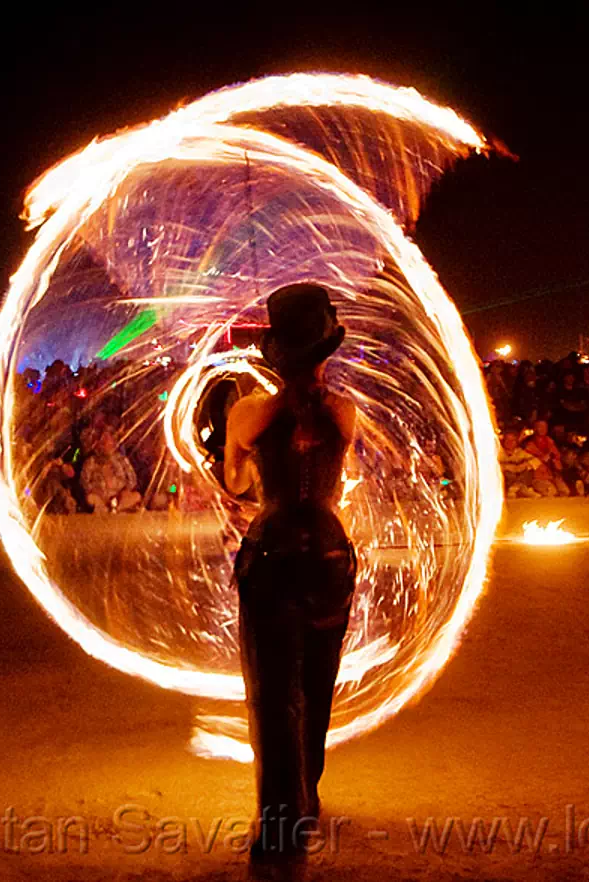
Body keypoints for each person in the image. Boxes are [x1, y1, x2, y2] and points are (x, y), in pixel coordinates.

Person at [224, 284, 357, 862]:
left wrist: (228, 452)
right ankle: (308, 799)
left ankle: (281, 829)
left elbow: (238, 486)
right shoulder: (346, 412)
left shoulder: (250, 413)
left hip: (273, 559)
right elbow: (334, 481)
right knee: (317, 690)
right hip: (330, 557)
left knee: (275, 697)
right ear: (325, 353)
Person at [80, 429, 141, 513]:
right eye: (103, 442)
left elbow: (132, 479)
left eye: (109, 441)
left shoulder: (121, 459)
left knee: (136, 496)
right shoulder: (91, 462)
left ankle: (118, 509)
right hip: (101, 496)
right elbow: (84, 483)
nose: (106, 445)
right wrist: (96, 492)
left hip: (120, 496)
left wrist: (125, 491)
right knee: (90, 498)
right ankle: (104, 510)